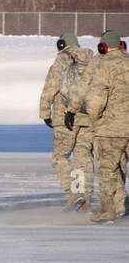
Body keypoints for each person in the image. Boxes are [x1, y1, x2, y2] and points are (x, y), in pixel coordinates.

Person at [72, 31, 129, 223]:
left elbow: (96, 98)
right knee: (121, 167)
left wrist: (94, 119)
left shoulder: (104, 65)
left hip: (111, 128)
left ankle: (107, 210)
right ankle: (121, 205)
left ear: (103, 47)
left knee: (107, 169)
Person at [38, 33, 96, 211]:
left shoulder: (62, 60)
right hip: (87, 116)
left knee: (59, 157)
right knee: (83, 157)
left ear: (61, 45)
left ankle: (74, 192)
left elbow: (51, 87)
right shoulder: (92, 61)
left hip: (65, 117)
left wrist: (45, 112)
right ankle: (84, 198)